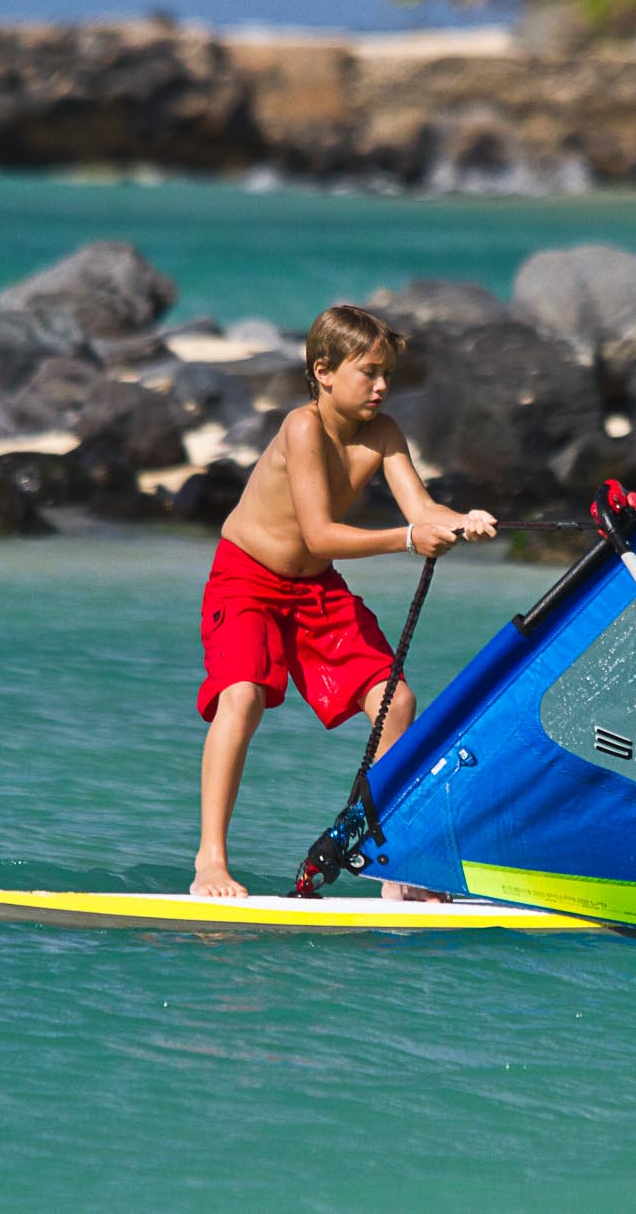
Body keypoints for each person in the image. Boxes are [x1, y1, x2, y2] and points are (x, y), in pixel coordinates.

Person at [193, 304, 497, 898]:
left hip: (315, 592)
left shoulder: (382, 434)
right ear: (324, 371)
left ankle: (391, 863)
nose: (383, 387)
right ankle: (210, 860)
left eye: (388, 375)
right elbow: (320, 534)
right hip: (246, 580)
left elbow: (420, 509)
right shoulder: (302, 428)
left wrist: (462, 521)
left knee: (398, 701)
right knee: (244, 696)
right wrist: (410, 540)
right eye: (369, 373)